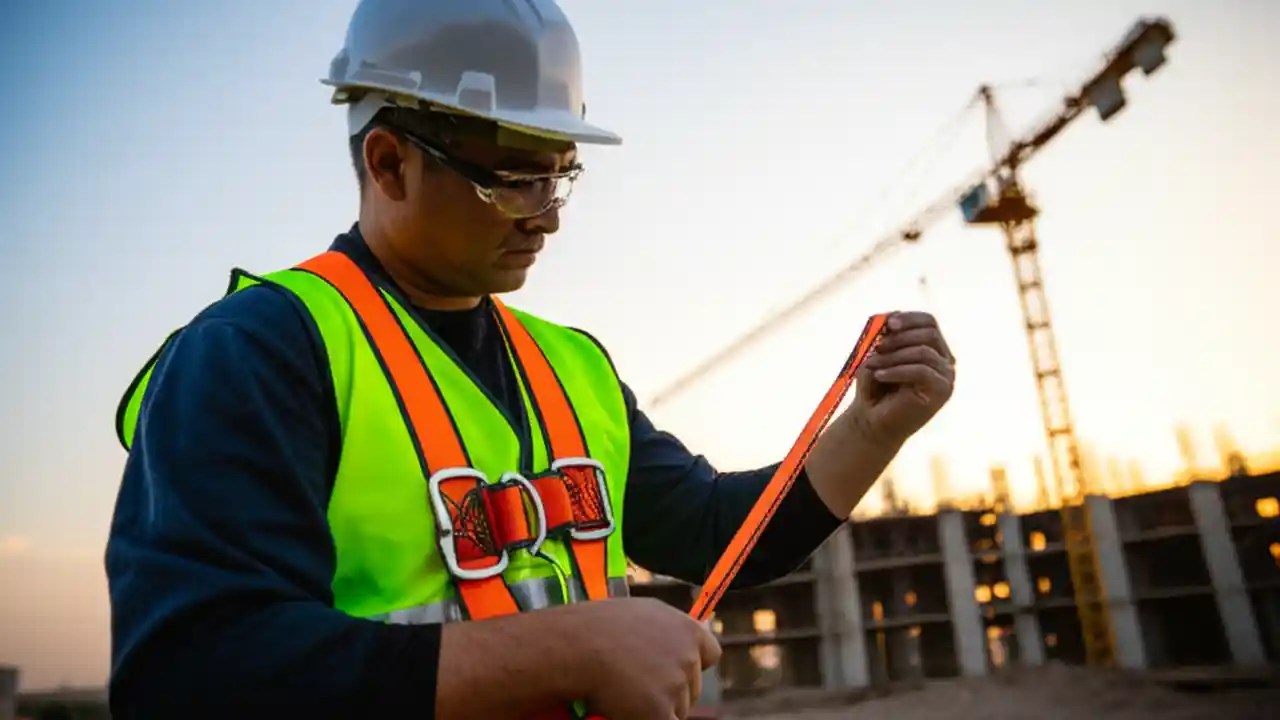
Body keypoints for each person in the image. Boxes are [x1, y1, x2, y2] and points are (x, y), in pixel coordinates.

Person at [104, 1, 957, 718]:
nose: (547, 215)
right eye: (513, 178)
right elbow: (191, 672)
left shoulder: (568, 365)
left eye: (561, 176)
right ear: (388, 161)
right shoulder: (258, 351)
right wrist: (566, 651)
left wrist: (872, 431)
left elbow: (715, 535)